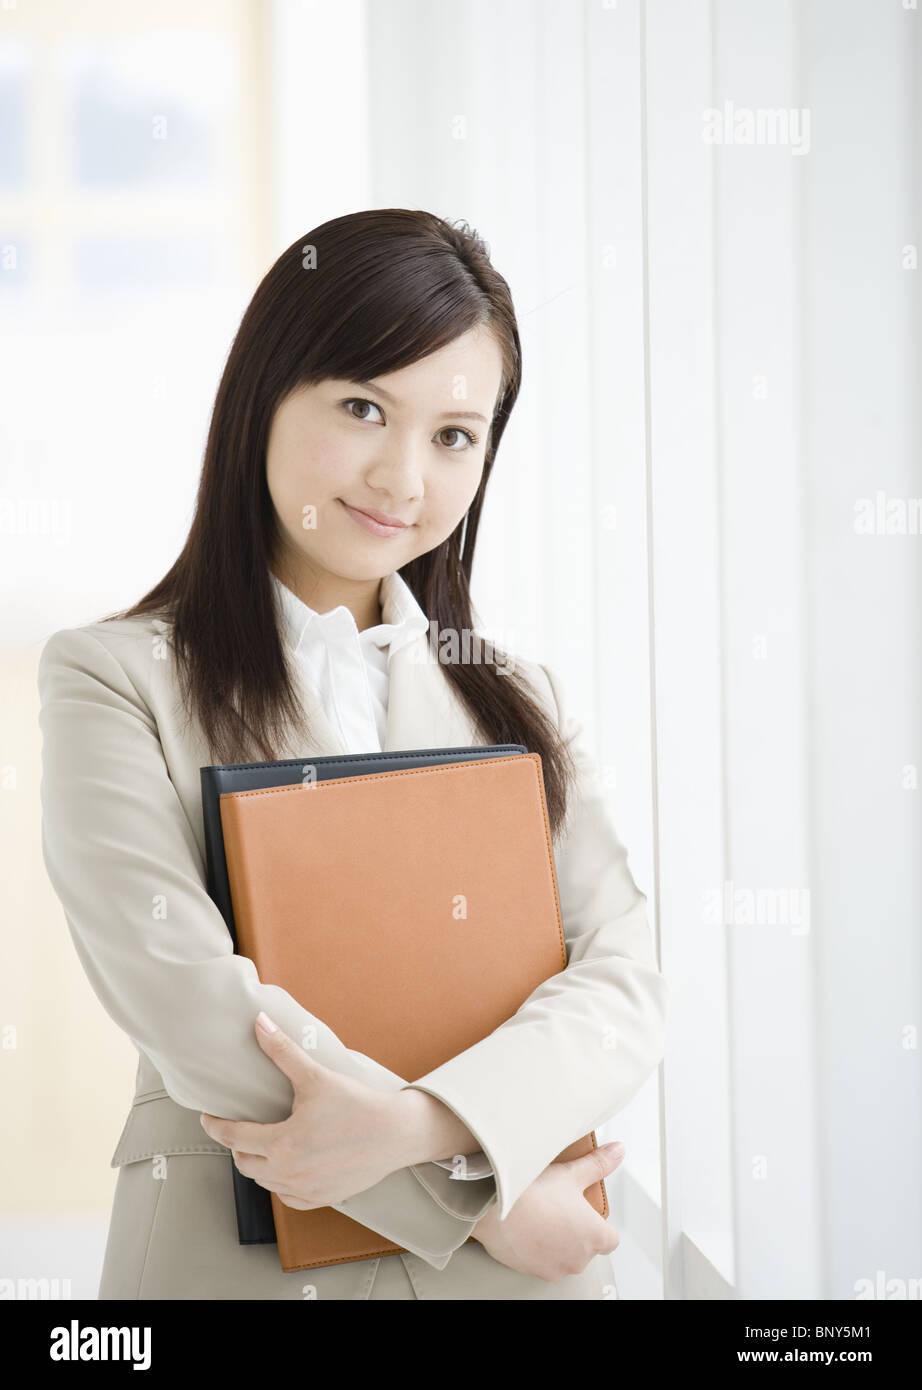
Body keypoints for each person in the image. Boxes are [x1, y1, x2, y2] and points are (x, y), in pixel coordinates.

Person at [37, 208, 670, 1300]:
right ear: (262, 397)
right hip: (244, 1257)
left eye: (453, 435)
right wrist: (479, 1199)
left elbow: (622, 975)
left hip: (520, 1275)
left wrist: (435, 1131)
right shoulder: (112, 677)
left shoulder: (513, 700)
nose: (401, 477)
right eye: (363, 407)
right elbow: (192, 1000)